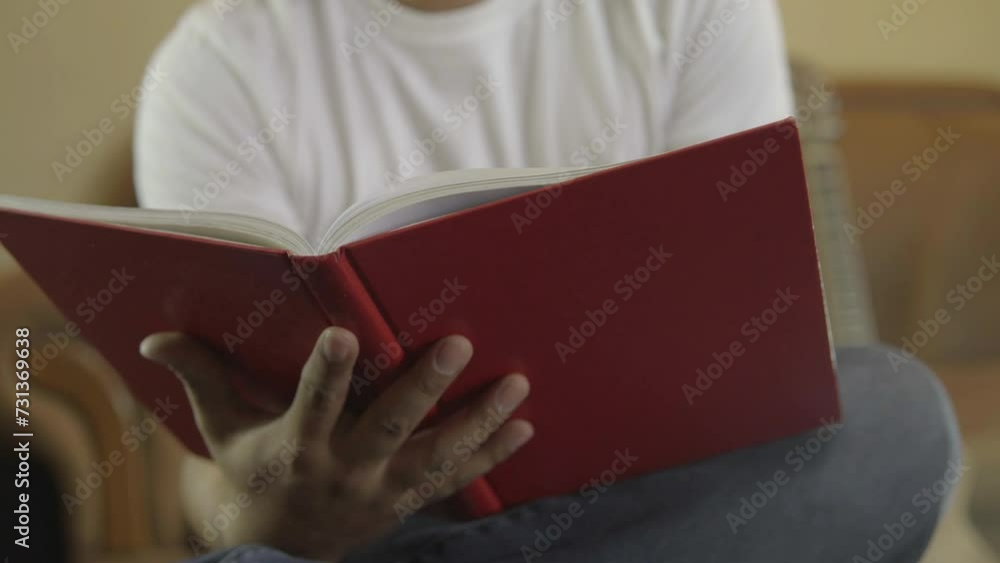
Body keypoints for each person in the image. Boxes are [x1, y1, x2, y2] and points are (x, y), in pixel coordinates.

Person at [134, 1, 962, 561]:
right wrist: (278, 514)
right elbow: (216, 479)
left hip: (665, 495)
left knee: (899, 417)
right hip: (378, 526)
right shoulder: (215, 67)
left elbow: (760, 363)